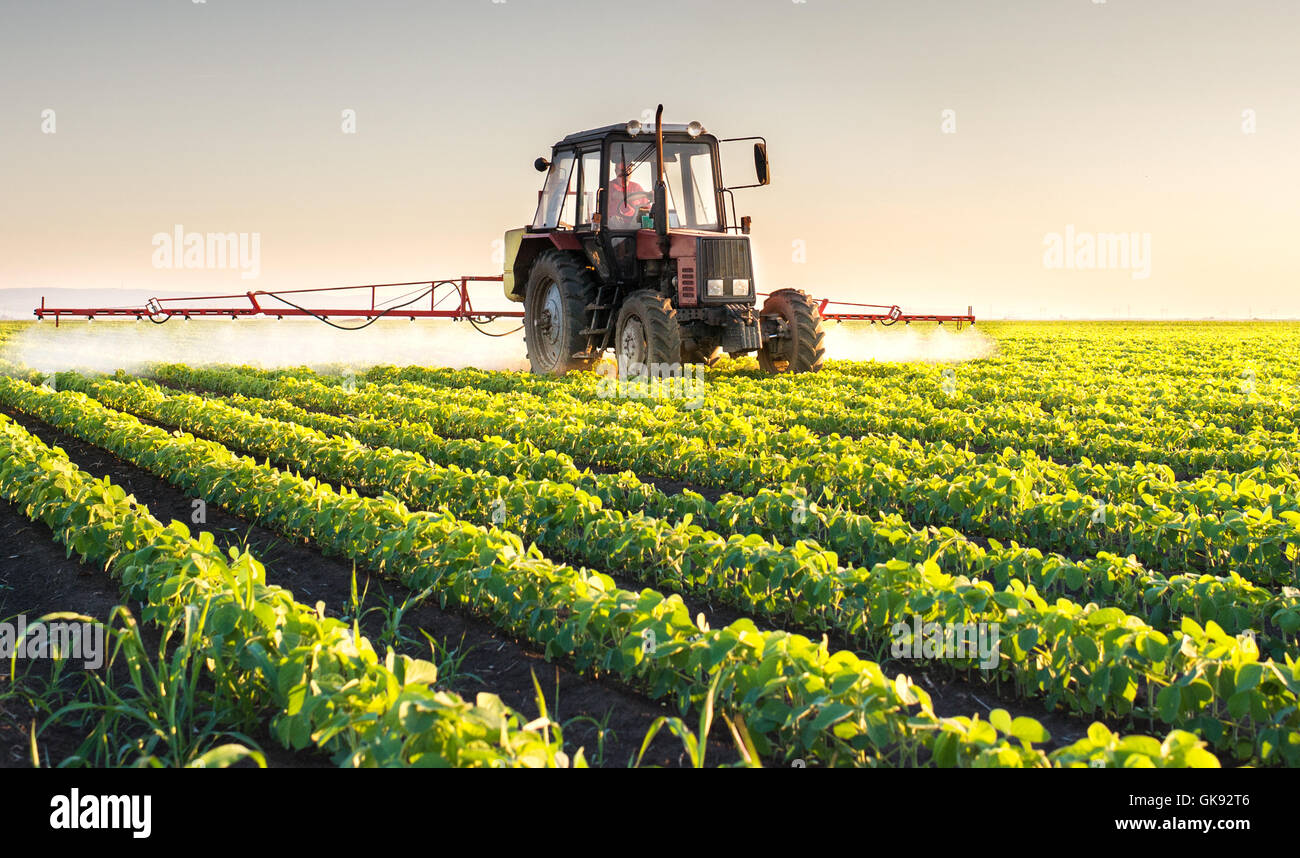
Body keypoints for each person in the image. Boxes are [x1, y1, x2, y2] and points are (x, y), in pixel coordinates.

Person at [608, 157, 653, 228]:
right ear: (616, 171)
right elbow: (621, 196)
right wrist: (645, 194)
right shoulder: (610, 186)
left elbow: (646, 208)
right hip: (616, 229)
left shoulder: (637, 187)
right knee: (614, 220)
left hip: (634, 226)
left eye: (629, 170)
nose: (627, 173)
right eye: (623, 170)